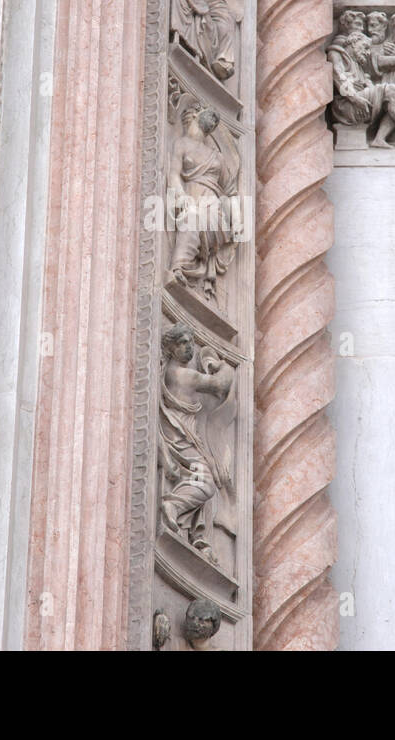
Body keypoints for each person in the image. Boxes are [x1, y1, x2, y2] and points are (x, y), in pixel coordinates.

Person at [158, 324, 235, 558]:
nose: (189, 346)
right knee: (206, 483)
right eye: (182, 342)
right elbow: (221, 385)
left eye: (191, 341)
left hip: (186, 436)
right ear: (170, 348)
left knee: (205, 474)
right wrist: (223, 366)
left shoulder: (172, 372)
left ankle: (199, 537)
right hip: (181, 439)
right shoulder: (184, 375)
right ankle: (174, 504)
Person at [167, 103, 240, 299]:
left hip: (213, 204)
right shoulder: (181, 144)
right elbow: (173, 174)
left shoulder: (218, 157)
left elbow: (231, 191)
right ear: (195, 114)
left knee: (197, 220)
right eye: (210, 115)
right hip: (192, 195)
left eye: (217, 120)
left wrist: (238, 220)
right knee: (191, 220)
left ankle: (184, 267)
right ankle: (179, 268)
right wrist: (181, 196)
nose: (214, 119)